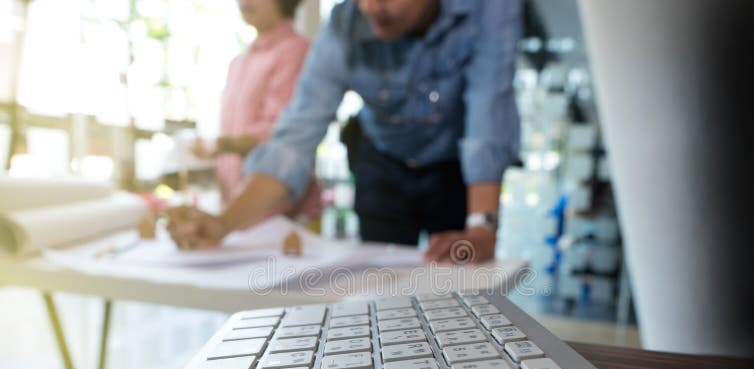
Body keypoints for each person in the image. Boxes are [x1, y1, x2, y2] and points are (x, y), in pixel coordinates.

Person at [169, 0, 521, 264]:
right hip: (381, 163)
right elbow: (295, 137)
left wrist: (482, 229)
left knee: (459, 273)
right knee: (384, 283)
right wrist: (223, 223)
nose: (370, 8)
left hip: (455, 169)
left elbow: (488, 117)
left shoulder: (488, 10)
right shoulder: (343, 23)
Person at [193, 0, 310, 207]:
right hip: (232, 199)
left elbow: (280, 131)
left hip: (274, 205)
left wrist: (221, 145)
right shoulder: (239, 62)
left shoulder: (296, 49)